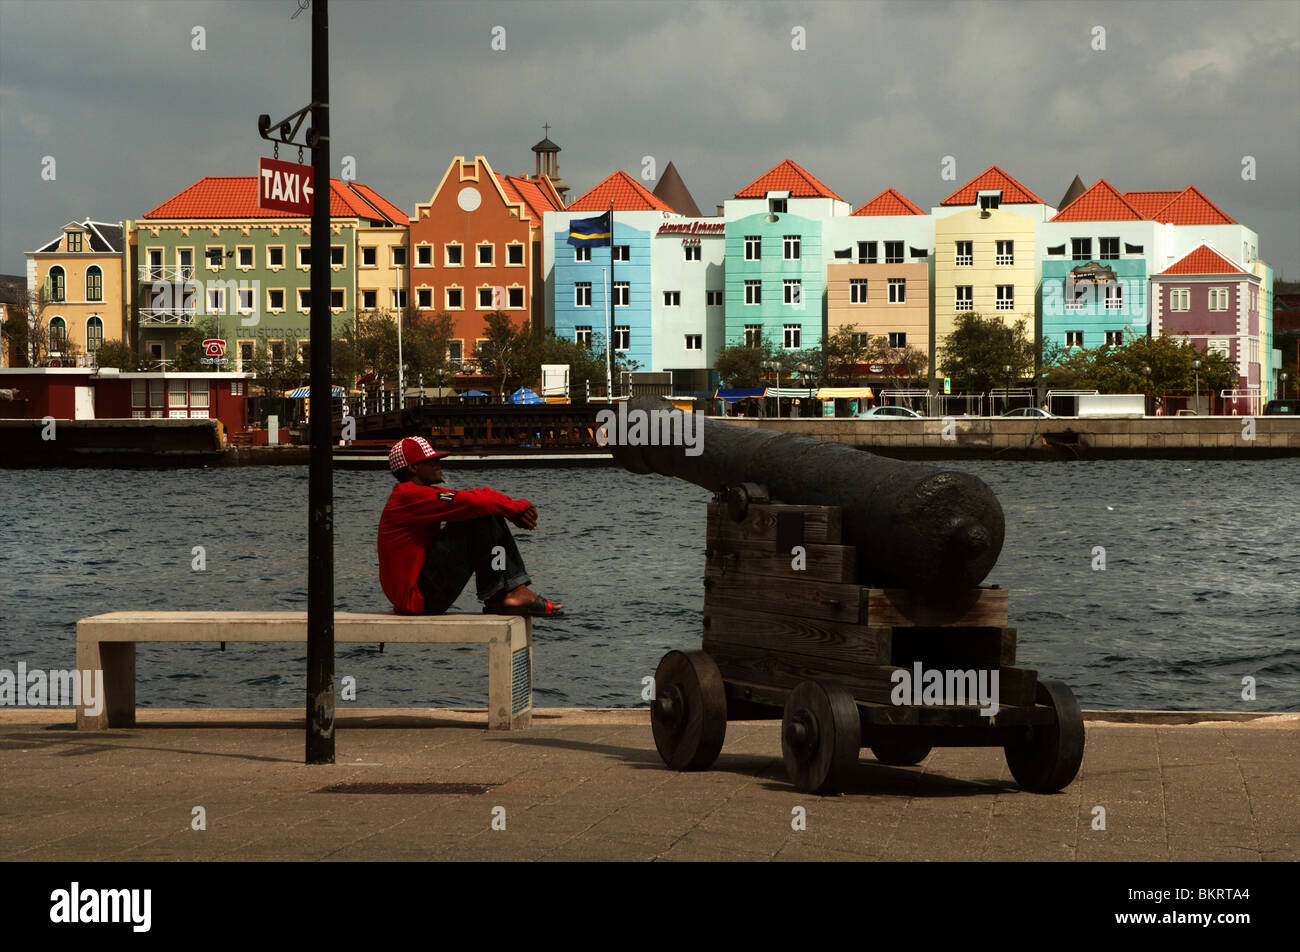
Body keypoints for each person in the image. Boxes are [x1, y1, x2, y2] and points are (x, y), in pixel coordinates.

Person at [377, 436, 563, 617]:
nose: (438, 464)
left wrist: (510, 509)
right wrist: (518, 508)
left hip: (417, 597)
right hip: (418, 599)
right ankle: (509, 593)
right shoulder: (409, 496)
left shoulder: (414, 495)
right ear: (413, 467)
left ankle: (504, 594)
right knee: (482, 511)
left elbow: (472, 499)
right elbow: (476, 502)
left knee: (481, 509)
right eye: (432, 460)